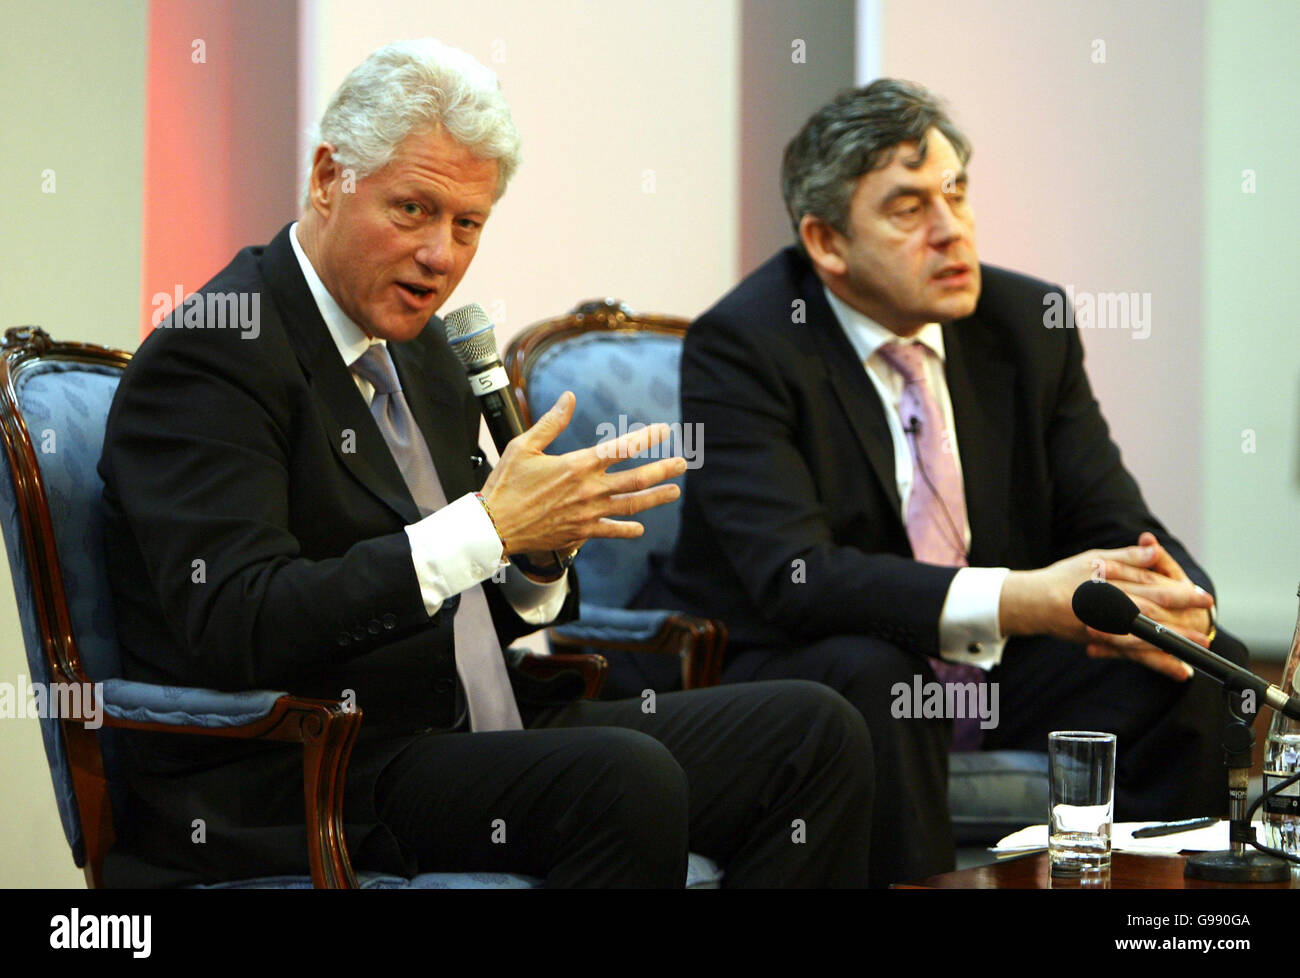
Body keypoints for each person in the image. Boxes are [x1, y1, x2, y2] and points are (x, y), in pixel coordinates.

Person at [97, 39, 874, 888]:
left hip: (471, 729)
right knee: (625, 781)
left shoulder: (426, 353)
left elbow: (472, 607)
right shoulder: (217, 351)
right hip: (320, 768)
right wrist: (485, 527)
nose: (441, 254)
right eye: (412, 210)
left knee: (813, 732)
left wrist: (536, 555)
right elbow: (238, 622)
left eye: (468, 224)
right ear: (328, 178)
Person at [630, 78, 1248, 885]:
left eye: (956, 192)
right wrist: (1024, 598)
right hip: (805, 666)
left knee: (1191, 667)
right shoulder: (747, 344)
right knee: (878, 676)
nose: (951, 230)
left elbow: (1114, 518)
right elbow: (796, 578)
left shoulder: (1028, 326)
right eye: (908, 207)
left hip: (990, 677)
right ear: (826, 241)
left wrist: (1177, 604)